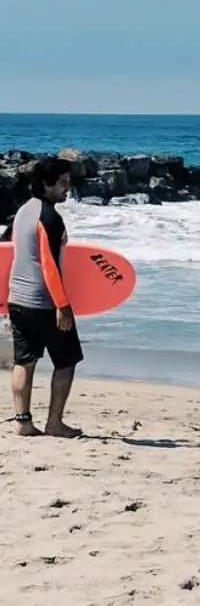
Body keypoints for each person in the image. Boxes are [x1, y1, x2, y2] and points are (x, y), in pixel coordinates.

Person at [6, 156, 83, 438]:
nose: (67, 188)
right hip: (45, 303)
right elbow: (49, 265)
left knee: (24, 361)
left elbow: (9, 250)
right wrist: (62, 306)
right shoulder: (49, 217)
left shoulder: (24, 211)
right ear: (46, 184)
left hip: (18, 300)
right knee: (66, 360)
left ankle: (23, 422)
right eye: (63, 183)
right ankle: (54, 423)